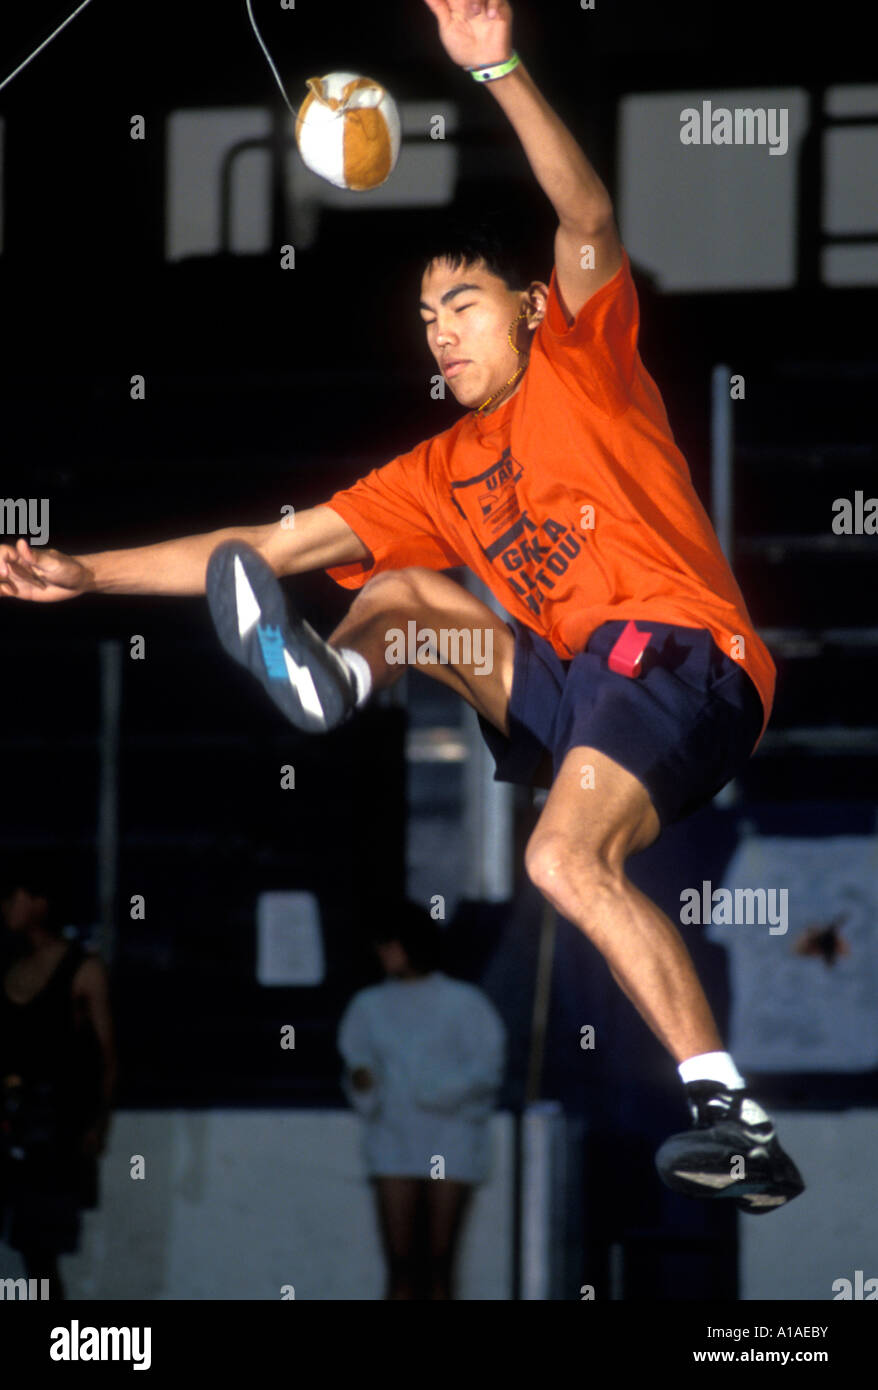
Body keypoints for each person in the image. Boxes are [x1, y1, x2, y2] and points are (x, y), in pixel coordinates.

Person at [0, 0, 803, 1213]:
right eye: (427, 319)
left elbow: (583, 214)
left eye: (464, 306)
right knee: (396, 584)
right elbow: (263, 544)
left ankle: (733, 1120)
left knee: (555, 857)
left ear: (530, 305)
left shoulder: (586, 359)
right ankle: (340, 676)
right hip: (583, 682)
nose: (440, 333)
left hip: (684, 653)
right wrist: (86, 570)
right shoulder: (436, 469)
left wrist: (500, 70)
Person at [338, 903, 505, 1299]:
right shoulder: (368, 1005)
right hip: (393, 1141)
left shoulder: (464, 1002)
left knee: (439, 1263)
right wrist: (363, 1081)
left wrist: (435, 1093)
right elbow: (358, 1061)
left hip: (451, 1141)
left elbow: (485, 1070)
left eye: (390, 944)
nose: (383, 953)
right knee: (400, 1264)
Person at [0, 873, 116, 1298]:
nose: (6, 906)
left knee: (39, 1258)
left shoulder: (82, 970)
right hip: (11, 1124)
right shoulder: (10, 965)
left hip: (51, 1134)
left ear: (38, 901)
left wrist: (97, 1126)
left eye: (14, 896)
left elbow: (107, 1061)